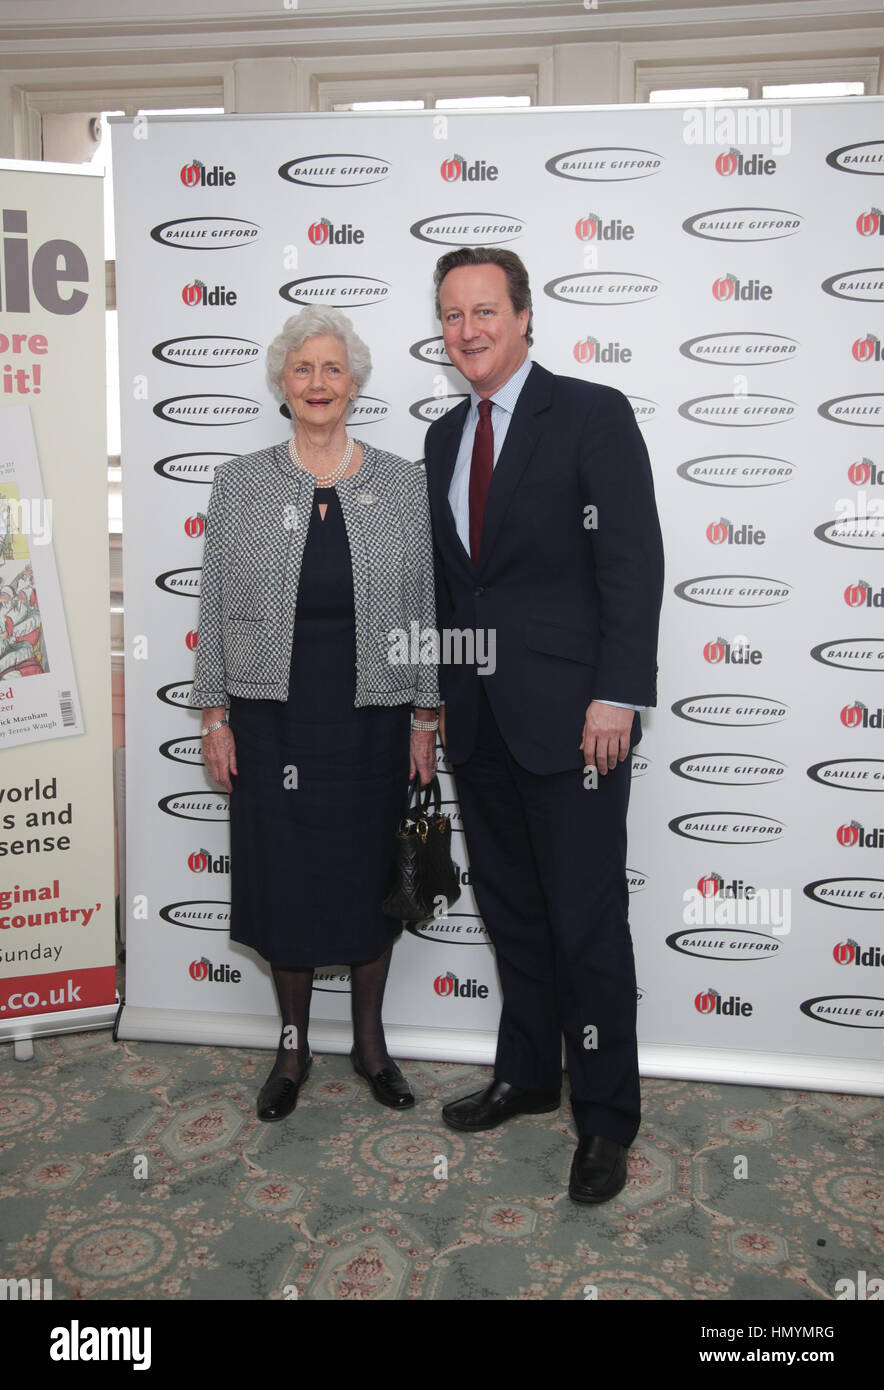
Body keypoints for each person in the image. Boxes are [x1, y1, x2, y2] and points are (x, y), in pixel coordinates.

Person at [423, 248, 664, 1204]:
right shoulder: (444, 438)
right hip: (478, 721)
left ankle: (606, 1119)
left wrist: (619, 694)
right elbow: (452, 589)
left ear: (524, 317)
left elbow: (632, 564)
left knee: (587, 923)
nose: (468, 330)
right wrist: (431, 702)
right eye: (452, 315)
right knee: (513, 913)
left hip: (577, 725)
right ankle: (527, 1075)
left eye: (485, 310)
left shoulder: (593, 415)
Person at [191, 307, 440, 1122]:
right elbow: (216, 603)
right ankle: (292, 1049)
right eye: (303, 369)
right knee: (286, 884)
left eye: (333, 370)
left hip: (372, 715)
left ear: (356, 384)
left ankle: (370, 1045)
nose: (319, 384)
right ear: (282, 384)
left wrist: (425, 719)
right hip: (272, 722)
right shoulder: (242, 483)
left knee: (372, 882)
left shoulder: (401, 482)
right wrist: (214, 716)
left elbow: (422, 608)